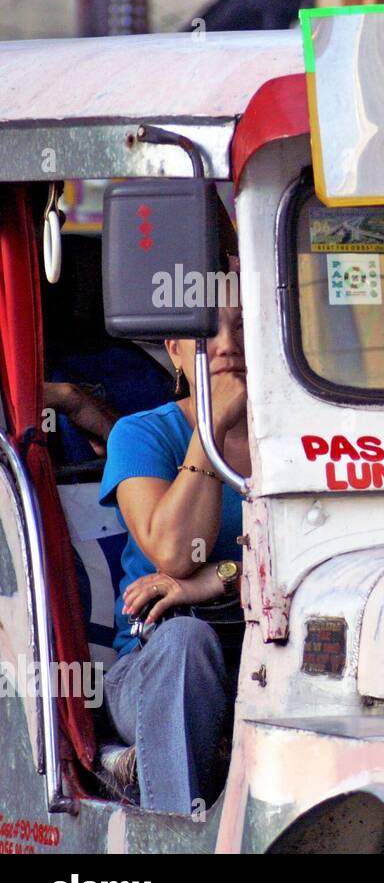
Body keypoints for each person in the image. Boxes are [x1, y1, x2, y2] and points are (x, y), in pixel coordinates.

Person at [97, 251, 248, 814]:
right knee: (188, 643)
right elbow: (176, 554)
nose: (228, 344)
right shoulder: (143, 434)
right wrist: (210, 433)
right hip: (157, 665)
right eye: (208, 331)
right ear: (176, 351)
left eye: (244, 324)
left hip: (282, 660)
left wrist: (223, 577)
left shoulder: (310, 429)